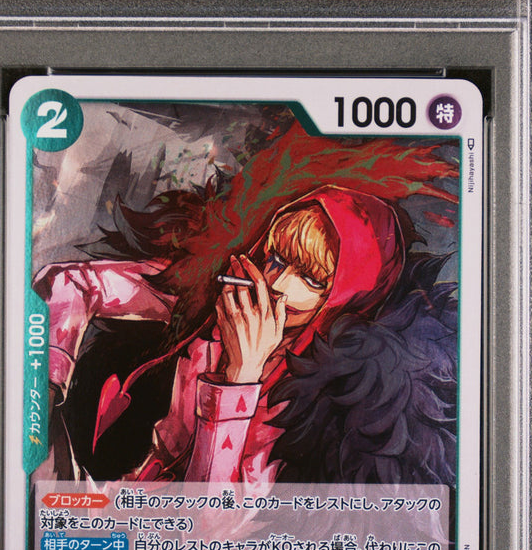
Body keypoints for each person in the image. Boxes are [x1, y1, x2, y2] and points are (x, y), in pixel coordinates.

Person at [34, 186, 405, 487]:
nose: (277, 284)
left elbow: (211, 523)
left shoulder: (309, 403)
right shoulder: (219, 301)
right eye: (276, 258)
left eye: (310, 279)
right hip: (108, 502)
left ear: (342, 298)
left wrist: (241, 377)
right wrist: (43, 388)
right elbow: (69, 281)